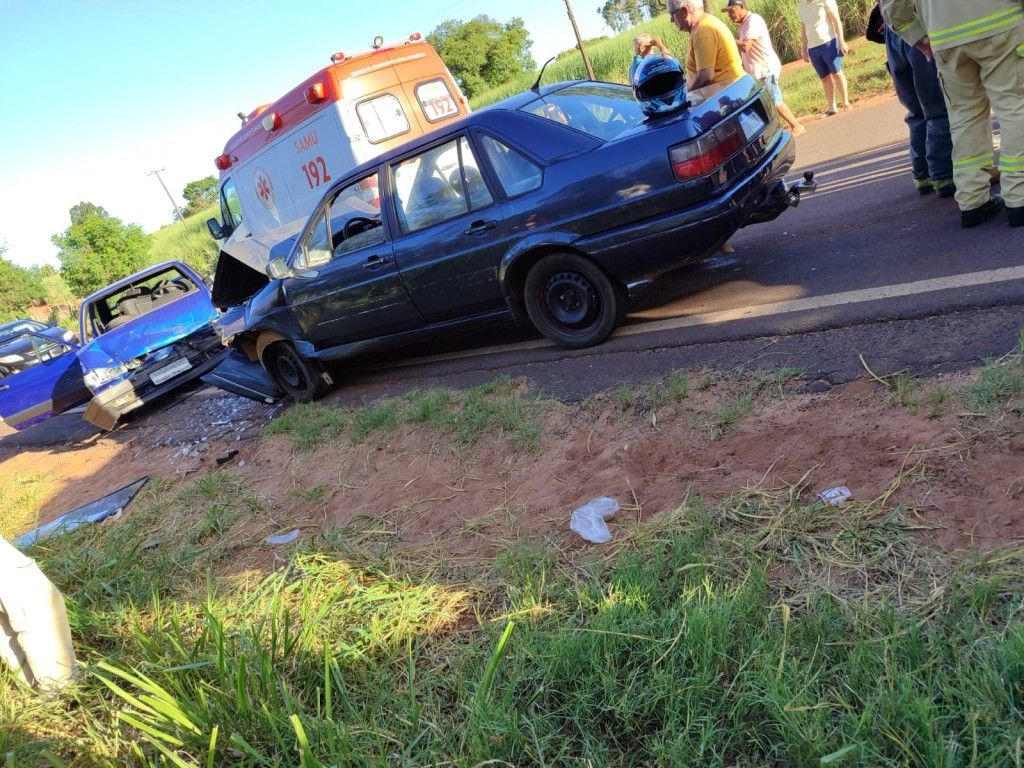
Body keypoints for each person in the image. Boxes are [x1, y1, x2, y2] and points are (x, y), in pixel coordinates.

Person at [880, 0, 1024, 228]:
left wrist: (915, 34)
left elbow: (893, 4)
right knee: (1015, 107)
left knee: (964, 117)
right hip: (1001, 20)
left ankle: (972, 201)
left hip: (944, 36)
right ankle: (1019, 197)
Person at [878, 4, 954, 197]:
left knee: (916, 111)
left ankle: (922, 174)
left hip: (893, 30)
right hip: (916, 28)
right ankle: (943, 174)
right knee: (937, 107)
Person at [723, 0, 806, 136]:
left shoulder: (753, 20)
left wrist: (728, 39)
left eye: (731, 11)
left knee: (774, 100)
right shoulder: (743, 24)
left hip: (766, 69)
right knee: (766, 103)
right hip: (758, 71)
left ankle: (796, 125)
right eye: (728, 12)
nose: (730, 15)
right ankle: (777, 129)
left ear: (741, 6)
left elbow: (746, 47)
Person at [666, 0, 745, 90]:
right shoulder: (704, 24)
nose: (671, 20)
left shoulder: (702, 30)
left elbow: (705, 77)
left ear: (685, 11)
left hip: (729, 93)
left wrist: (685, 94)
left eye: (672, 14)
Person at [797, 0, 851, 116]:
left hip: (829, 42)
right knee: (824, 78)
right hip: (813, 48)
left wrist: (841, 41)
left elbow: (836, 21)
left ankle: (845, 103)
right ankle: (832, 107)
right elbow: (803, 29)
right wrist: (804, 48)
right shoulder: (801, 5)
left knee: (836, 73)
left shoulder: (825, 1)